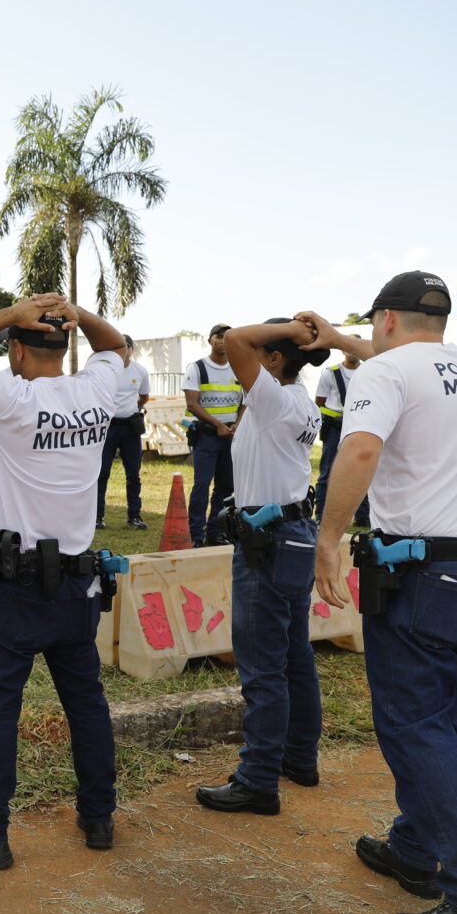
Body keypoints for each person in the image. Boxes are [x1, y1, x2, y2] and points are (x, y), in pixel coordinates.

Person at [313, 272, 457, 914]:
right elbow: (411, 370)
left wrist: (328, 536)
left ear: (387, 320)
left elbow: (362, 447)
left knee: (412, 727)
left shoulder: (386, 371)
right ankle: (413, 847)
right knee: (441, 718)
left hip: (427, 579)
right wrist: (346, 340)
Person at [0, 293, 126, 869]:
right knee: (86, 704)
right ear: (64, 347)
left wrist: (10, 313)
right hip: (78, 585)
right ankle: (99, 814)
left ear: (15, 348)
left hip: (15, 588)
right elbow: (116, 346)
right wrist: (80, 317)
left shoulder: (11, 396)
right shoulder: (95, 389)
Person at [195, 319, 328, 816]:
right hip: (291, 534)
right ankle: (299, 758)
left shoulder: (274, 399)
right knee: (294, 655)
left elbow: (232, 340)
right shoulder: (295, 399)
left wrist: (291, 326)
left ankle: (257, 780)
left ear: (272, 362)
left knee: (262, 667)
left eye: (260, 355)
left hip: (268, 541)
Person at [183, 324, 245, 546]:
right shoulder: (197, 368)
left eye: (227, 337)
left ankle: (216, 532)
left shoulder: (239, 368)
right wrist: (217, 424)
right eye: (219, 337)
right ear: (210, 340)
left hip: (230, 436)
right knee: (202, 485)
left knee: (226, 487)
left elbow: (245, 401)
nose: (222, 341)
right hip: (207, 435)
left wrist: (237, 424)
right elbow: (192, 403)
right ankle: (196, 535)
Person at [312, 336, 370, 526]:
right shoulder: (331, 373)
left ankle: (363, 517)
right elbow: (319, 403)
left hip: (361, 427)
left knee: (363, 471)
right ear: (343, 350)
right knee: (328, 472)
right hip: (335, 429)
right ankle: (321, 514)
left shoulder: (369, 372)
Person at [96, 334, 150, 530]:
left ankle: (134, 516)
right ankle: (97, 517)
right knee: (101, 473)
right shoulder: (106, 371)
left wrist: (130, 407)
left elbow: (144, 397)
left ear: (131, 349)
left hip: (130, 427)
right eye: (117, 348)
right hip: (108, 427)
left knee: (133, 473)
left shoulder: (140, 371)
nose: (122, 351)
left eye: (125, 347)